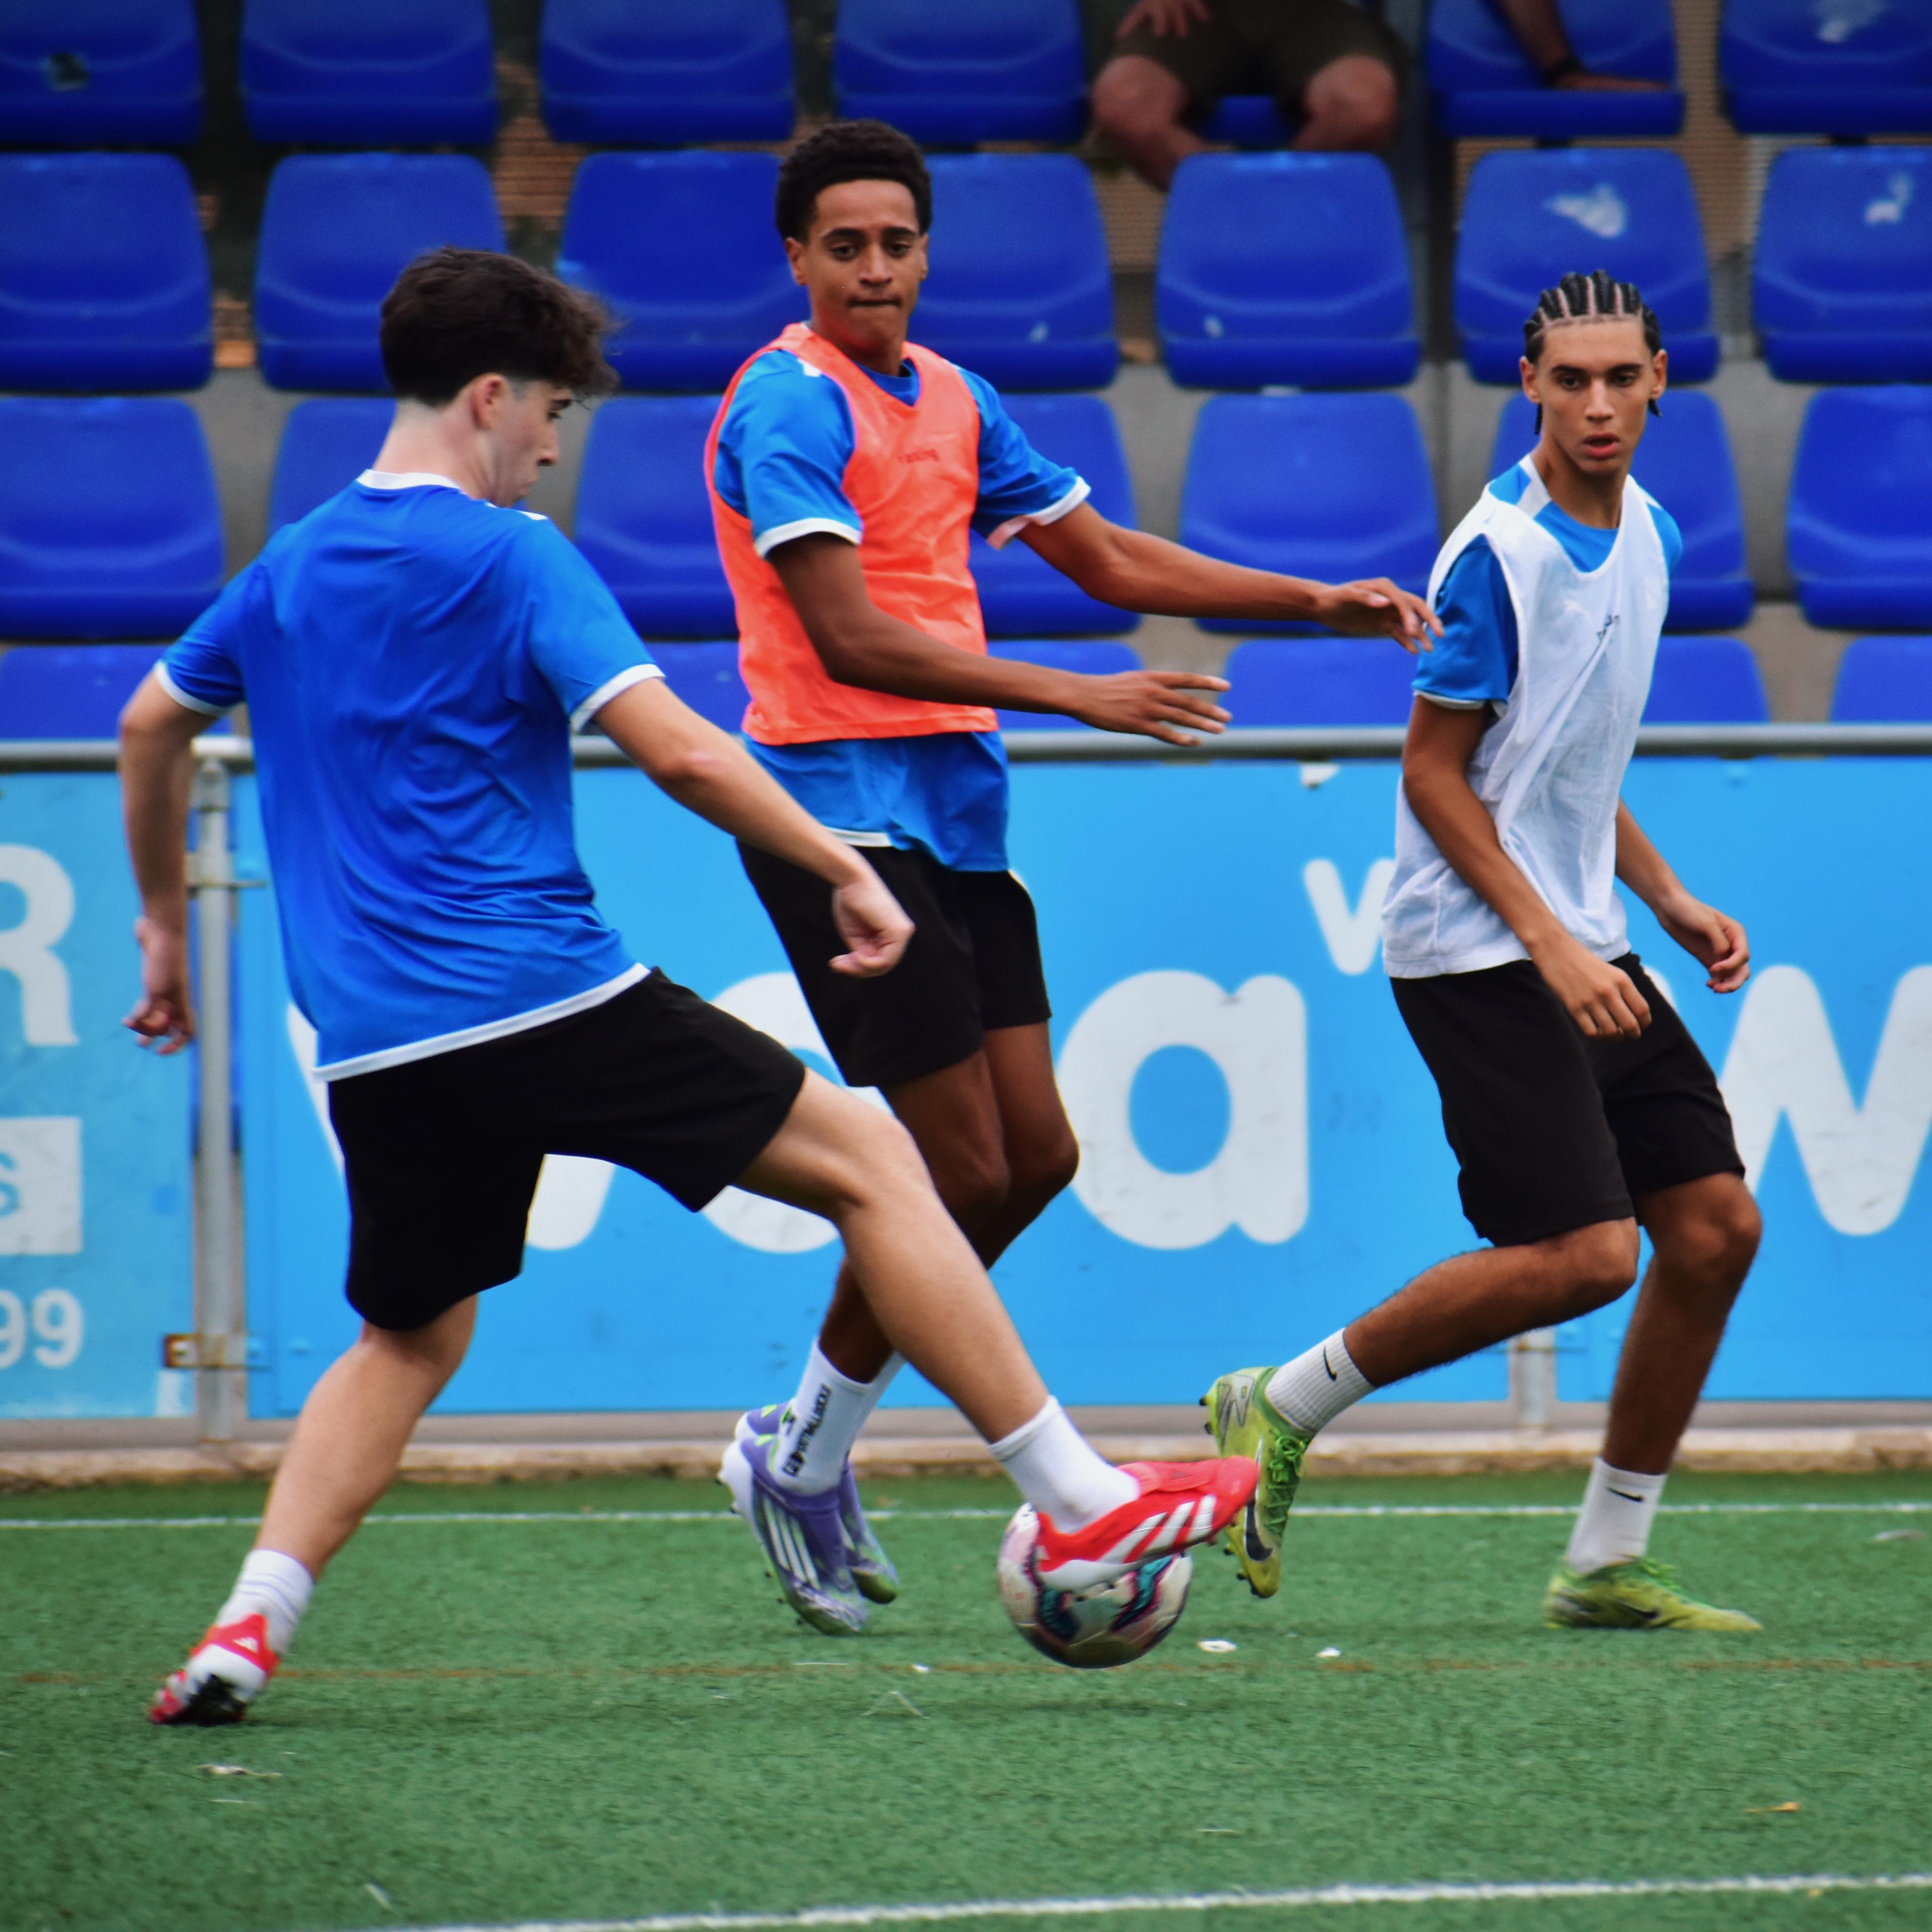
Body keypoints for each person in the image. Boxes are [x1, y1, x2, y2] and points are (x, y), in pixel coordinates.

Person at [127, 248, 1259, 1723]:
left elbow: (154, 723)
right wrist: (835, 861)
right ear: (485, 396)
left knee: (409, 1332)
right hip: (541, 994)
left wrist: (164, 926)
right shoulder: (513, 553)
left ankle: (244, 1627)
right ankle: (1077, 1494)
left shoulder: (283, 572)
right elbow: (677, 745)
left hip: (373, 1041)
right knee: (875, 1160)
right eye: (546, 413)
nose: (551, 443)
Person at [705, 119, 1437, 1634]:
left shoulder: (958, 401)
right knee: (954, 1169)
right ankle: (810, 1450)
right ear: (796, 256)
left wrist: (1314, 600)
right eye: (841, 243)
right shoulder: (780, 403)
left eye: (894, 241)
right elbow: (847, 638)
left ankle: (799, 1445)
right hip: (836, 823)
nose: (872, 266)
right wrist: (1078, 691)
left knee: (1032, 1156)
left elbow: (1102, 558)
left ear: (922, 251)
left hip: (953, 818)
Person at [1203, 269, 1765, 1633]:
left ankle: (1608, 1555)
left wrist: (1665, 897)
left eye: (1619, 378)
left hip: (1582, 934)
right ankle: (1278, 1403)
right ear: (1528, 385)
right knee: (1586, 1255)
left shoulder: (1654, 535)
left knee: (1712, 1228)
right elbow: (1439, 778)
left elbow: (1568, 760)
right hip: (1472, 946)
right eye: (1568, 380)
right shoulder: (1495, 556)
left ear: (1659, 381)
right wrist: (1549, 941)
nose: (1596, 404)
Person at [1093, 0, 1664, 191]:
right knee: (1125, 103)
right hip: (1195, 10)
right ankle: (1247, 225)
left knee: (1363, 104)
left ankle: (1268, 230)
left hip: (1318, 13)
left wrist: (1561, 67)